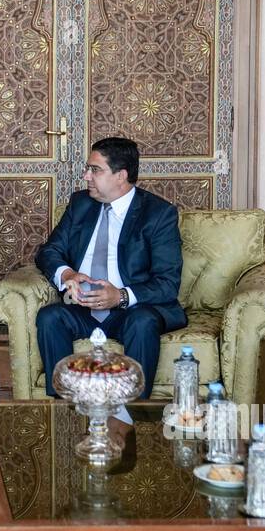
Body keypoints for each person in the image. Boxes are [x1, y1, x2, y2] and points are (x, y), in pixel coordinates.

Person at [34, 136, 187, 401]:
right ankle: (63, 409)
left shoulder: (158, 214)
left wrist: (121, 296)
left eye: (95, 170)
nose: (86, 177)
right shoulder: (81, 204)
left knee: (143, 322)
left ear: (121, 176)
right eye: (88, 169)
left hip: (130, 311)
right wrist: (68, 274)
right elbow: (49, 252)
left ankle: (132, 414)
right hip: (82, 308)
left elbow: (167, 282)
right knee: (50, 317)